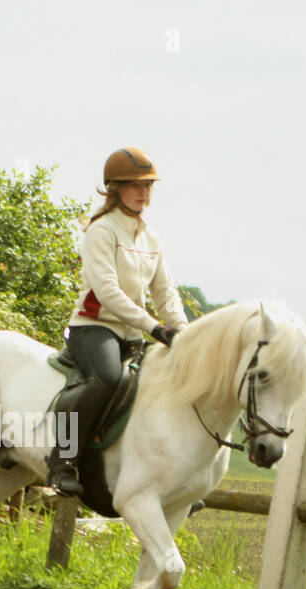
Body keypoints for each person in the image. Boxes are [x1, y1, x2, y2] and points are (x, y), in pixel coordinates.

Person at [46, 146, 190, 496]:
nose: (144, 193)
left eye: (148, 186)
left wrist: (186, 332)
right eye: (135, 185)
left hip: (132, 333)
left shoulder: (151, 238)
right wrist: (154, 327)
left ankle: (170, 477)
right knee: (106, 378)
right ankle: (62, 461)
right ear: (115, 188)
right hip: (93, 328)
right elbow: (108, 292)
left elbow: (165, 292)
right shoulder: (101, 230)